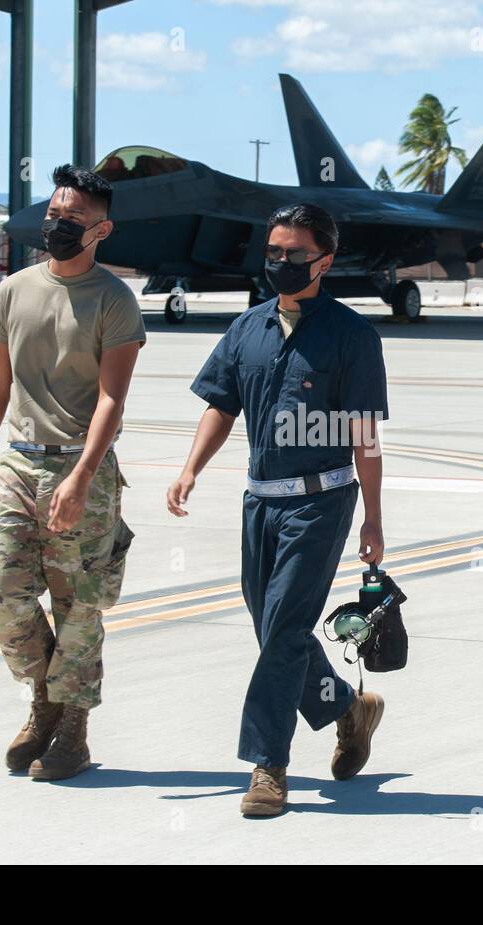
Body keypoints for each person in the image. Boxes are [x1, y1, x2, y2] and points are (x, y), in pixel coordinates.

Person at [167, 203, 390, 817]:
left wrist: (372, 518)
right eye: (273, 253)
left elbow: (365, 435)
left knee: (285, 631)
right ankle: (347, 708)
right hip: (260, 502)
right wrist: (191, 467)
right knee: (274, 632)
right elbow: (221, 403)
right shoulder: (248, 329)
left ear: (325, 259)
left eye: (293, 254)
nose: (281, 263)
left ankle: (269, 765)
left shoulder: (353, 336)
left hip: (321, 503)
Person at [0, 164, 146, 781]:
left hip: (81, 467)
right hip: (19, 459)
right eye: (54, 214)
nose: (58, 226)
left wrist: (84, 476)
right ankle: (44, 701)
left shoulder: (114, 299)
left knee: (79, 604)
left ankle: (73, 730)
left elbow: (112, 400)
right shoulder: (14, 290)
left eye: (73, 219)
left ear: (102, 229)